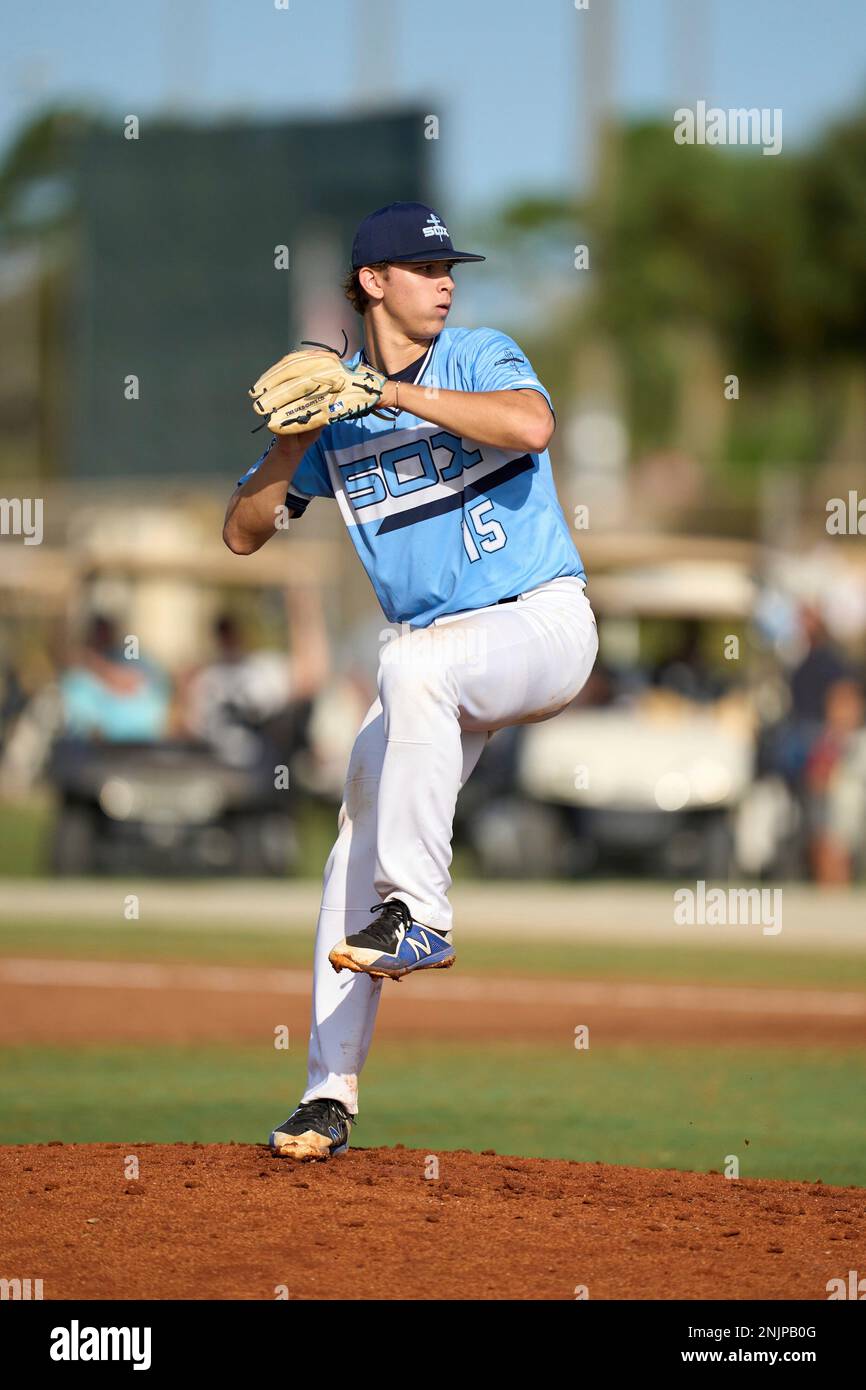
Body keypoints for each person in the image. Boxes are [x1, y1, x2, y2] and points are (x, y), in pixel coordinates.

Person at [224, 202, 598, 1160]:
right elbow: (243, 529)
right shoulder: (336, 418)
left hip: (539, 624)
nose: (447, 279)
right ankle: (326, 1097)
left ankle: (422, 914)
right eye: (423, 266)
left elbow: (530, 425)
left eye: (450, 266)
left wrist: (388, 397)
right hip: (437, 667)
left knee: (408, 663)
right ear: (372, 283)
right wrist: (298, 442)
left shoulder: (474, 356)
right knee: (358, 829)